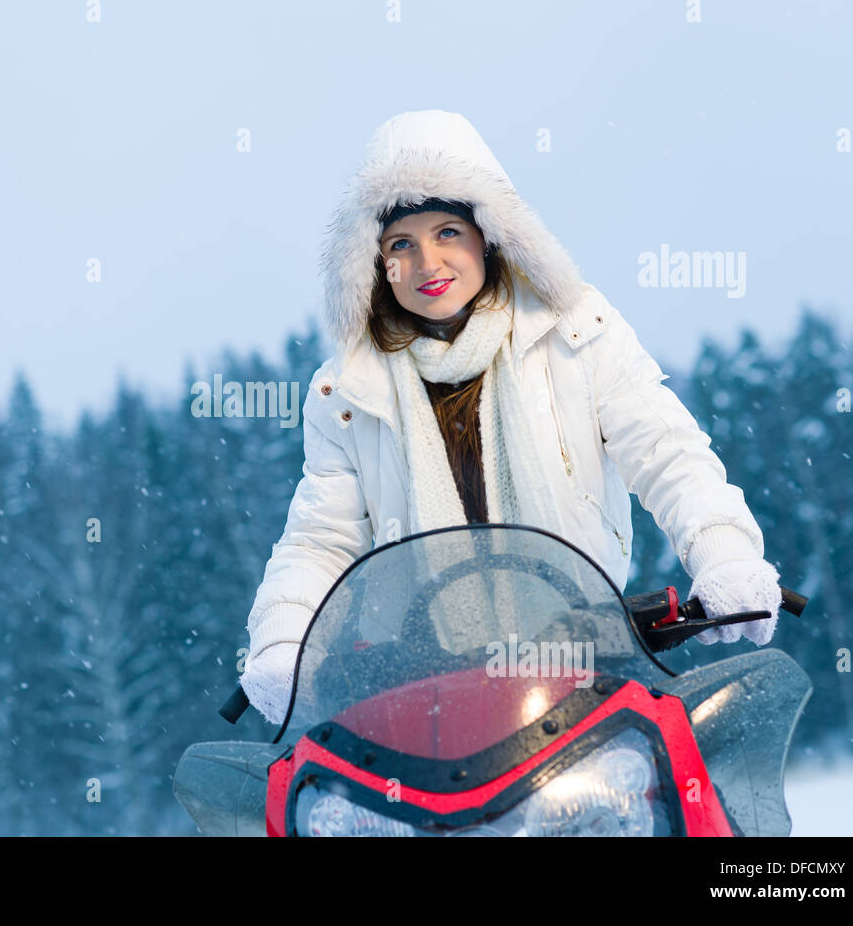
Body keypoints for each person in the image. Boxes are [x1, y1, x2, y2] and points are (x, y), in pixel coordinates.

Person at [239, 109, 783, 725]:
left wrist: (724, 555)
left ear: (489, 235)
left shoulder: (576, 331)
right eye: (401, 244)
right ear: (374, 264)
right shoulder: (347, 391)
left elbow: (665, 453)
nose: (427, 263)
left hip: (584, 662)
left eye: (448, 232)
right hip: (425, 695)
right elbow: (322, 536)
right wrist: (284, 639)